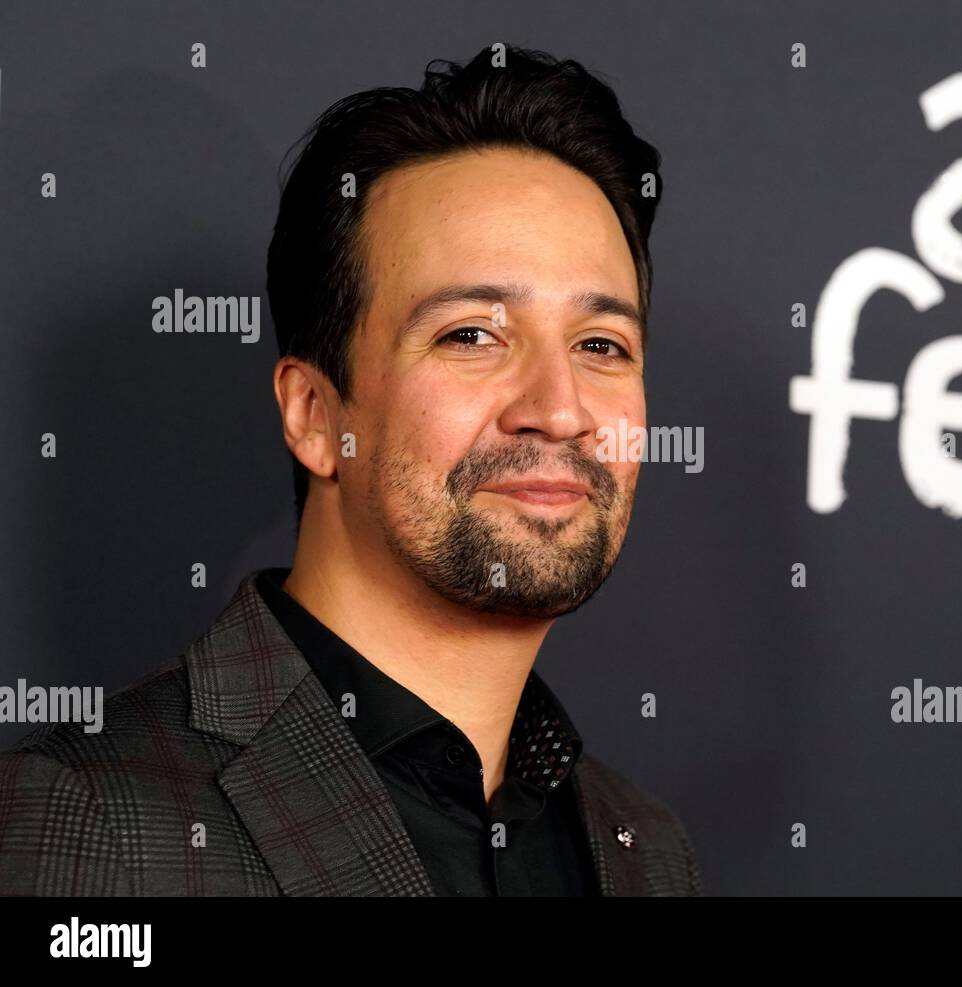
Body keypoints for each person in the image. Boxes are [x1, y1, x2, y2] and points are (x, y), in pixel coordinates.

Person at [0, 44, 701, 897]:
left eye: (601, 345)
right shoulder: (92, 824)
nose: (558, 409)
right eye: (470, 335)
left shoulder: (646, 854)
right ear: (314, 415)